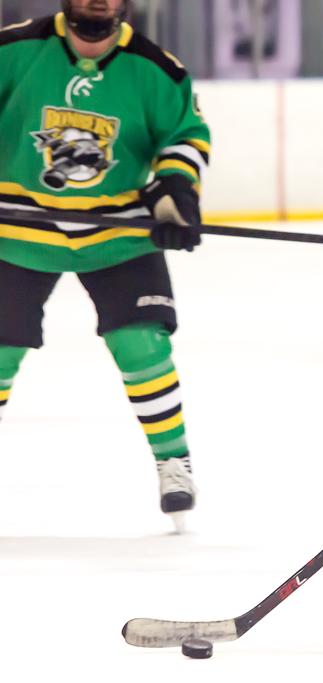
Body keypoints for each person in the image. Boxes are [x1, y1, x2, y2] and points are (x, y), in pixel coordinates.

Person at [0, 0, 210, 530]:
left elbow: (184, 136)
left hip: (118, 232)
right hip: (18, 230)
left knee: (142, 344)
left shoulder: (156, 68)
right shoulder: (15, 50)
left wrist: (175, 195)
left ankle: (172, 462)